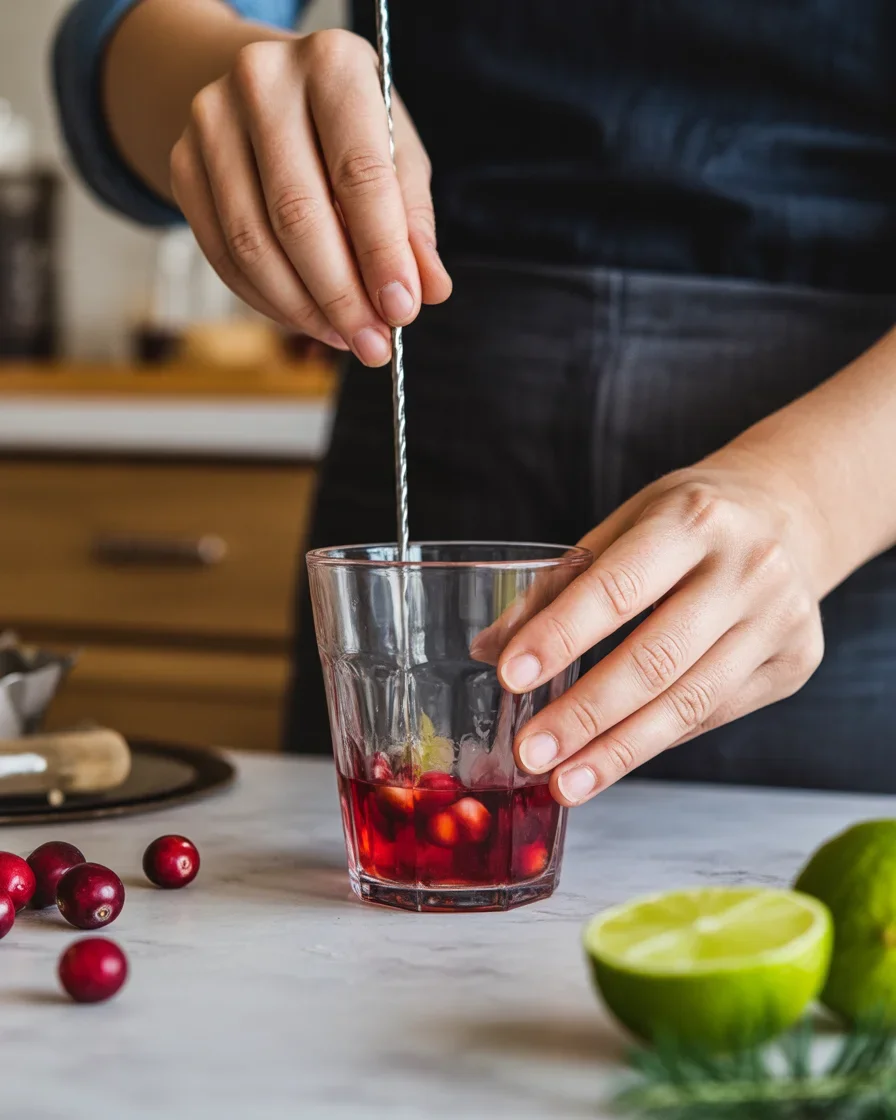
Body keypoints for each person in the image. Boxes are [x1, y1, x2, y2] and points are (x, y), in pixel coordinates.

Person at [54, 0, 896, 801]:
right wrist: (230, 82)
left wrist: (812, 504)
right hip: (429, 416)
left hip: (841, 511)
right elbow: (120, 38)